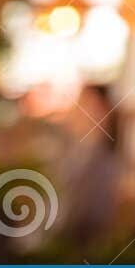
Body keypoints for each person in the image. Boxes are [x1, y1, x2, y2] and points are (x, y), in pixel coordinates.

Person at [51, 83, 122, 248]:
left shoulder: (103, 161)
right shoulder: (69, 148)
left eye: (88, 106)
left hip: (80, 230)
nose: (81, 112)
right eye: (80, 106)